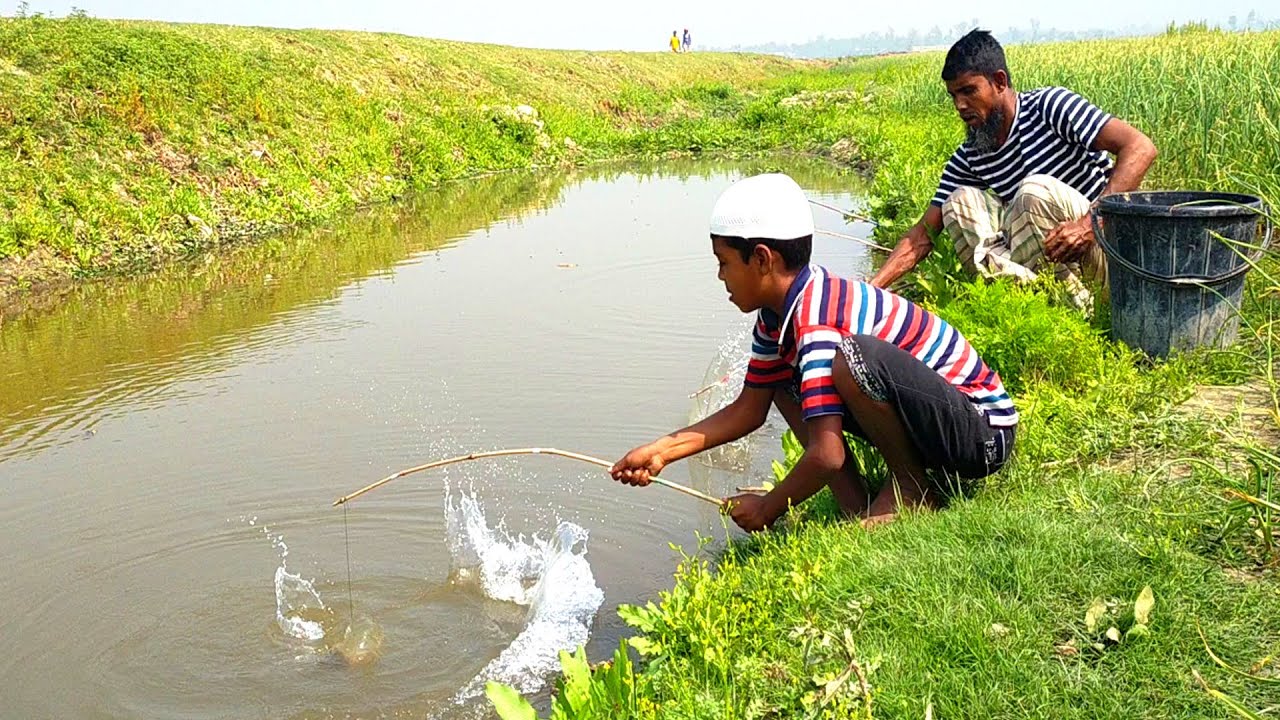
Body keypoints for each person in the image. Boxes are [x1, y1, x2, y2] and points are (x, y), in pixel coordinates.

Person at [611, 173, 1018, 532]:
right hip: (938, 423)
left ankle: (912, 491)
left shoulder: (818, 317)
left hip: (982, 434)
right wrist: (661, 451)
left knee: (853, 357)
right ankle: (856, 505)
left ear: (762, 259)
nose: (720, 276)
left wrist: (769, 508)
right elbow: (749, 410)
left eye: (724, 262)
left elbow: (827, 452)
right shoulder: (777, 319)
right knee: (783, 380)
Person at [868, 30, 1157, 308]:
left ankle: (1083, 306)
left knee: (1033, 191)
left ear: (999, 81)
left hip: (1107, 252)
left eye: (969, 91)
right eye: (953, 95)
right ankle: (1043, 306)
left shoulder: (1050, 107)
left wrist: (1088, 225)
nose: (960, 105)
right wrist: (869, 290)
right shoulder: (972, 154)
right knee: (957, 204)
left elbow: (1141, 147)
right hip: (1048, 267)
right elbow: (921, 235)